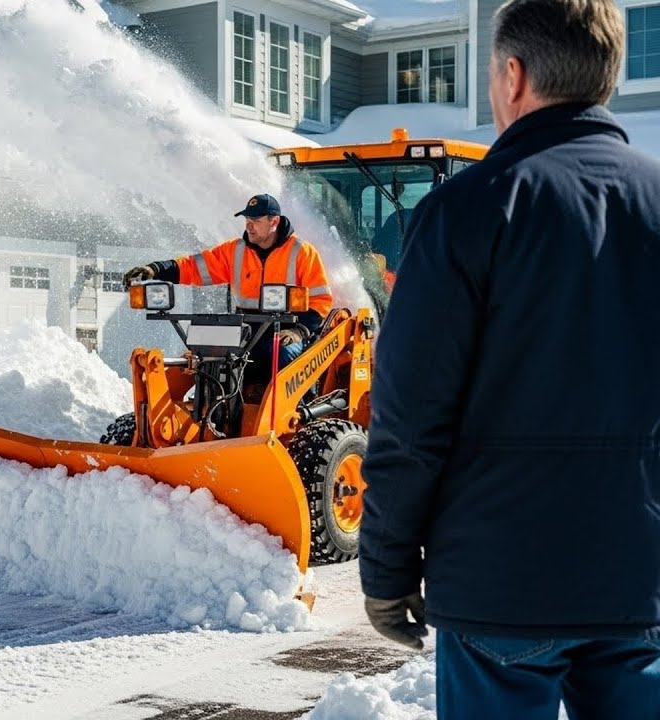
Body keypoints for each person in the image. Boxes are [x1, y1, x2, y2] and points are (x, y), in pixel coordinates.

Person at [359, 0, 660, 716]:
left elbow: (409, 420)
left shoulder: (467, 211)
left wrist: (387, 567)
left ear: (514, 77)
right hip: (637, 584)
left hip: (499, 588)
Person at [123, 193, 333, 373]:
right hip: (247, 331)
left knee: (282, 354)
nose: (249, 227)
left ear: (274, 222)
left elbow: (321, 301)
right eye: (247, 221)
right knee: (206, 358)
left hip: (286, 332)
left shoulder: (302, 252)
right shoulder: (235, 251)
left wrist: (299, 331)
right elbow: (194, 267)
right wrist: (156, 269)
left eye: (256, 221)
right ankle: (209, 410)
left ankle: (294, 412)